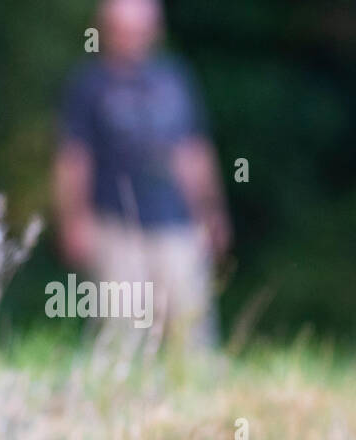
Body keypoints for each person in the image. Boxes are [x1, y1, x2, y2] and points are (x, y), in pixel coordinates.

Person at [53, 0, 230, 363]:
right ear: (105, 30)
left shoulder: (175, 79)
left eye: (138, 28)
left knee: (193, 331)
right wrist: (74, 219)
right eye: (122, 28)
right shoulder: (89, 84)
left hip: (178, 225)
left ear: (154, 31)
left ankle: (197, 408)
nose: (131, 37)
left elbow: (193, 151)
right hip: (115, 226)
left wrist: (211, 211)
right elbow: (74, 159)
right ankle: (115, 408)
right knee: (122, 332)